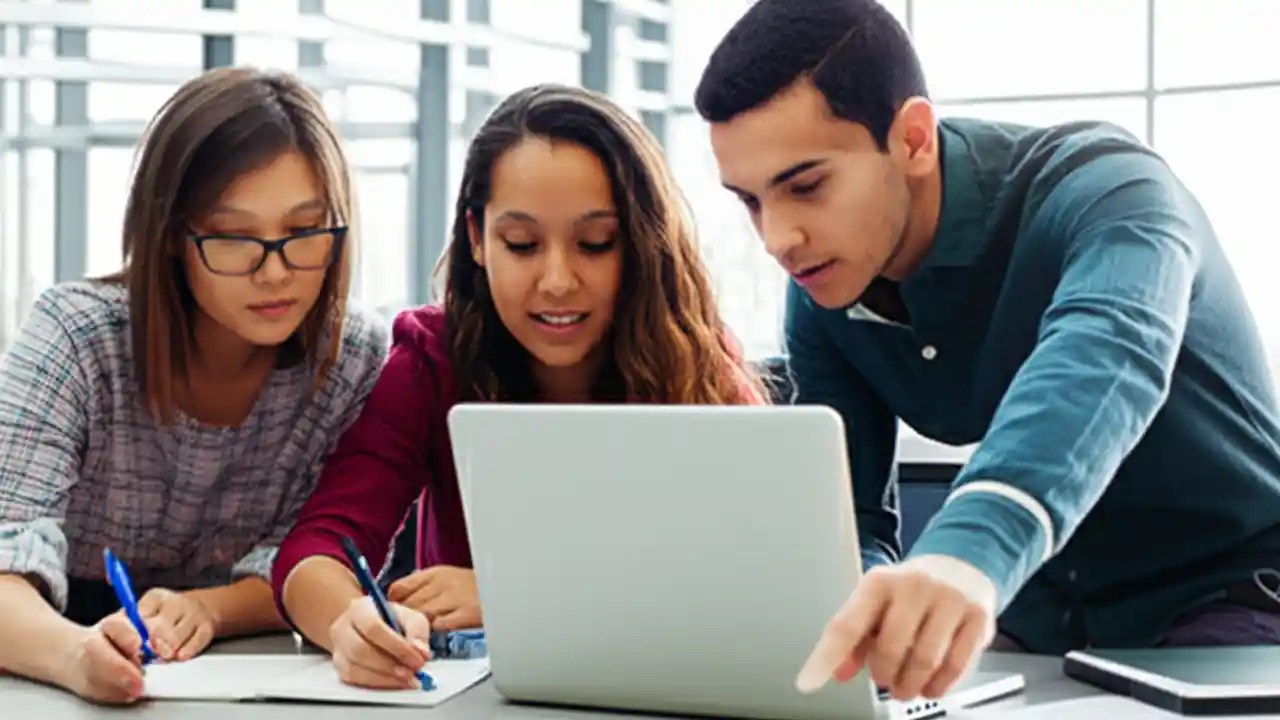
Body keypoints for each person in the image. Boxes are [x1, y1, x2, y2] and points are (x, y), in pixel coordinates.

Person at [693, 0, 1280, 702]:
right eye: (750, 202)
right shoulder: (823, 289)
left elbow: (1099, 359)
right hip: (1037, 623)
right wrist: (852, 620)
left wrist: (967, 551)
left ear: (912, 138)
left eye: (807, 186)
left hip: (1231, 601)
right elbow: (851, 519)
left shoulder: (1115, 194)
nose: (777, 238)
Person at [272, 83, 767, 690]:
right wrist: (351, 622)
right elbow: (316, 549)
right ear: (477, 239)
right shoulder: (433, 359)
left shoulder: (693, 359)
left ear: (639, 243)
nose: (557, 281)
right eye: (523, 245)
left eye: (595, 244)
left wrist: (519, 594)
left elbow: (746, 583)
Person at [0, 67, 388, 704]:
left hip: (251, 678)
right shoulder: (76, 338)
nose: (275, 272)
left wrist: (212, 609)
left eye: (304, 232)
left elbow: (326, 560)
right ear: (173, 237)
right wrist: (76, 656)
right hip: (56, 663)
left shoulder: (355, 357)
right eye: (235, 239)